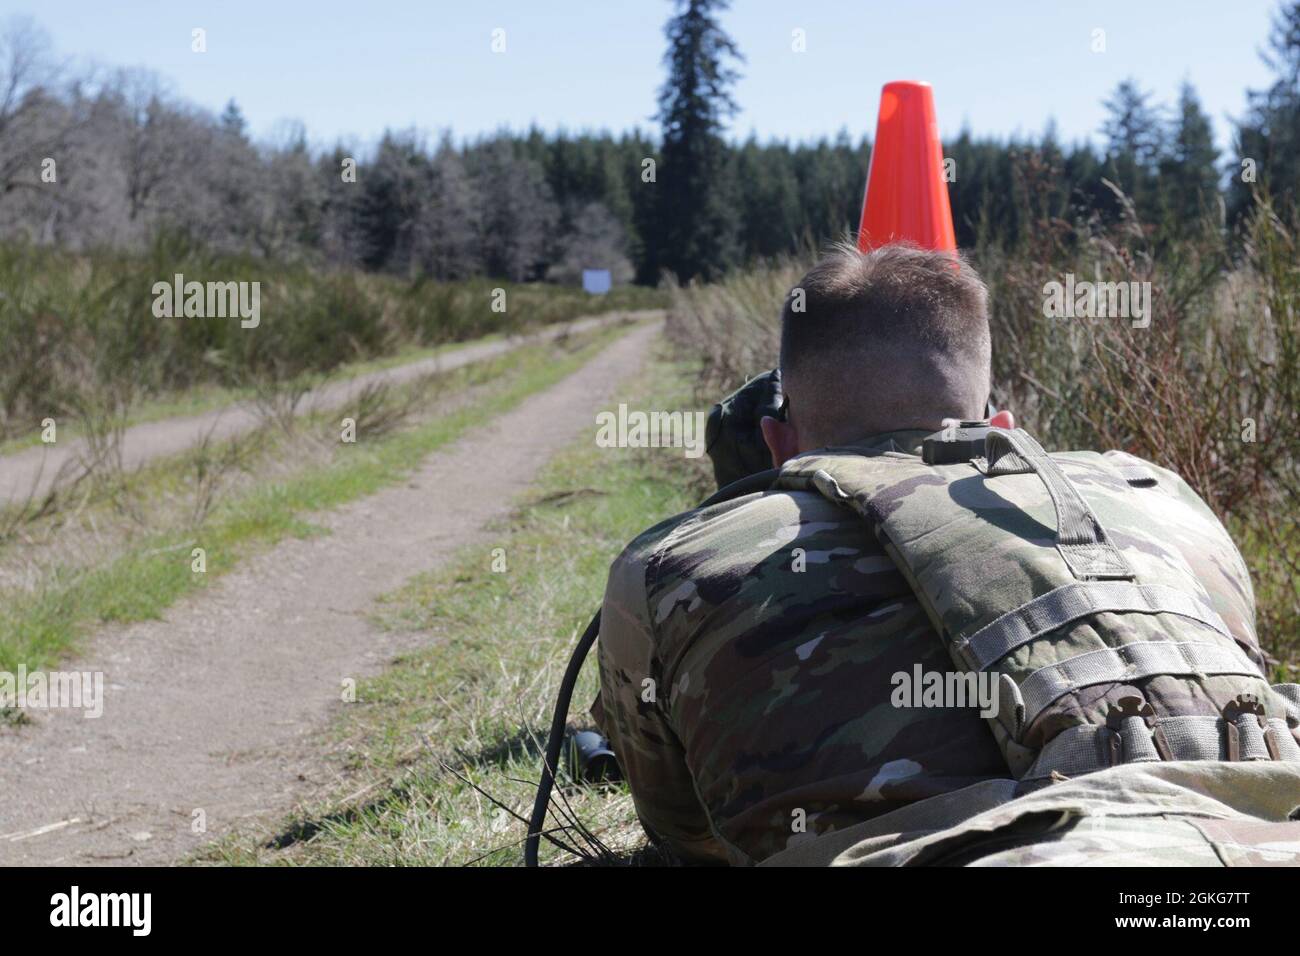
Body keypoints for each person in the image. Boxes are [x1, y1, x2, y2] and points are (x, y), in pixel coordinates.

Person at [593, 241, 1300, 867]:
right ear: (1001, 426)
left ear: (779, 445)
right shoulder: (1155, 495)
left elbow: (688, 835)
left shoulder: (669, 565)